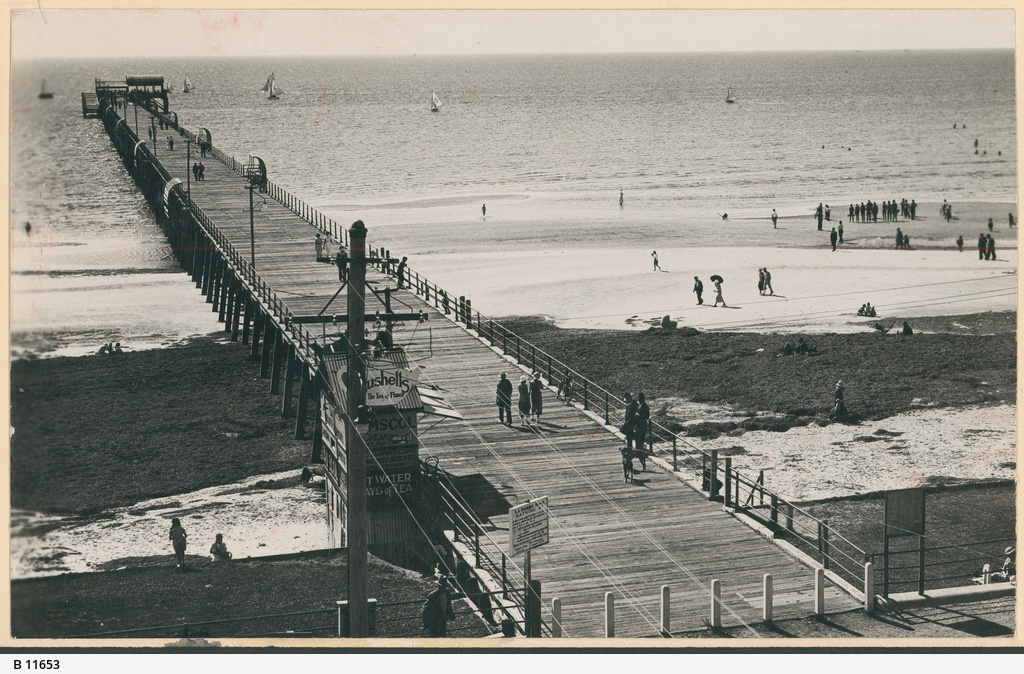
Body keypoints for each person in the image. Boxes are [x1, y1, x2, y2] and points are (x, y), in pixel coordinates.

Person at [633, 393, 650, 470]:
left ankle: (642, 459)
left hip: (642, 426)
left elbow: (646, 416)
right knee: (638, 442)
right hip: (638, 426)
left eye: (640, 399)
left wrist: (639, 415)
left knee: (640, 442)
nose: (639, 400)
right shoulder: (640, 406)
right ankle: (640, 457)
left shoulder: (645, 406)